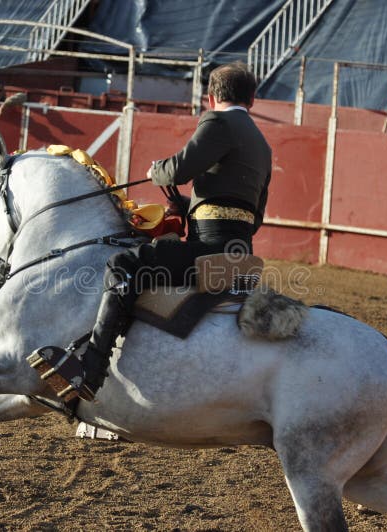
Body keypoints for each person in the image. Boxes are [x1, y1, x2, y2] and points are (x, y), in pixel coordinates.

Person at [42, 61, 272, 402]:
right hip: (240, 251)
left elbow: (178, 169)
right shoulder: (262, 145)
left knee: (124, 265)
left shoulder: (218, 121)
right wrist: (187, 206)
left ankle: (91, 370)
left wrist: (157, 172)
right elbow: (251, 217)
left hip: (209, 249)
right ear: (252, 99)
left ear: (210, 98)